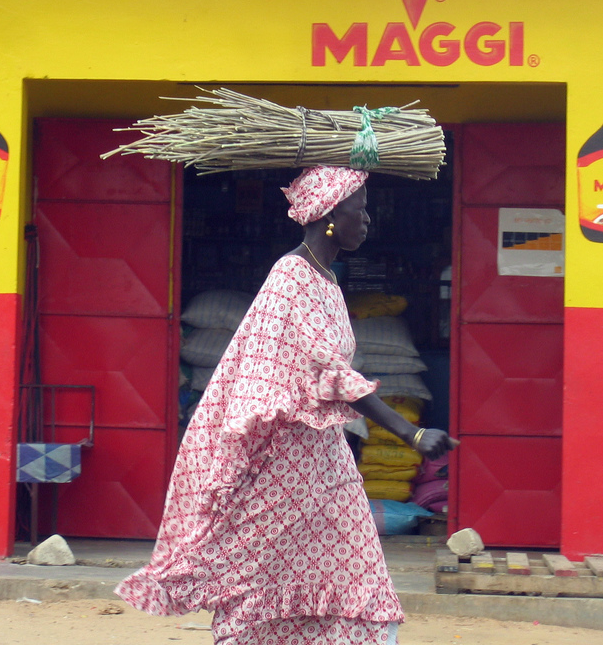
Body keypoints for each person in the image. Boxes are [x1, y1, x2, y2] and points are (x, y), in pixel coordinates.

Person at [116, 165, 455, 644]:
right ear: (330, 215)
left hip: (326, 468)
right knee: (263, 579)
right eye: (361, 210)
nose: (369, 220)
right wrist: (411, 433)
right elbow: (329, 372)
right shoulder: (290, 277)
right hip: (283, 468)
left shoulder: (328, 282)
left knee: (355, 572)